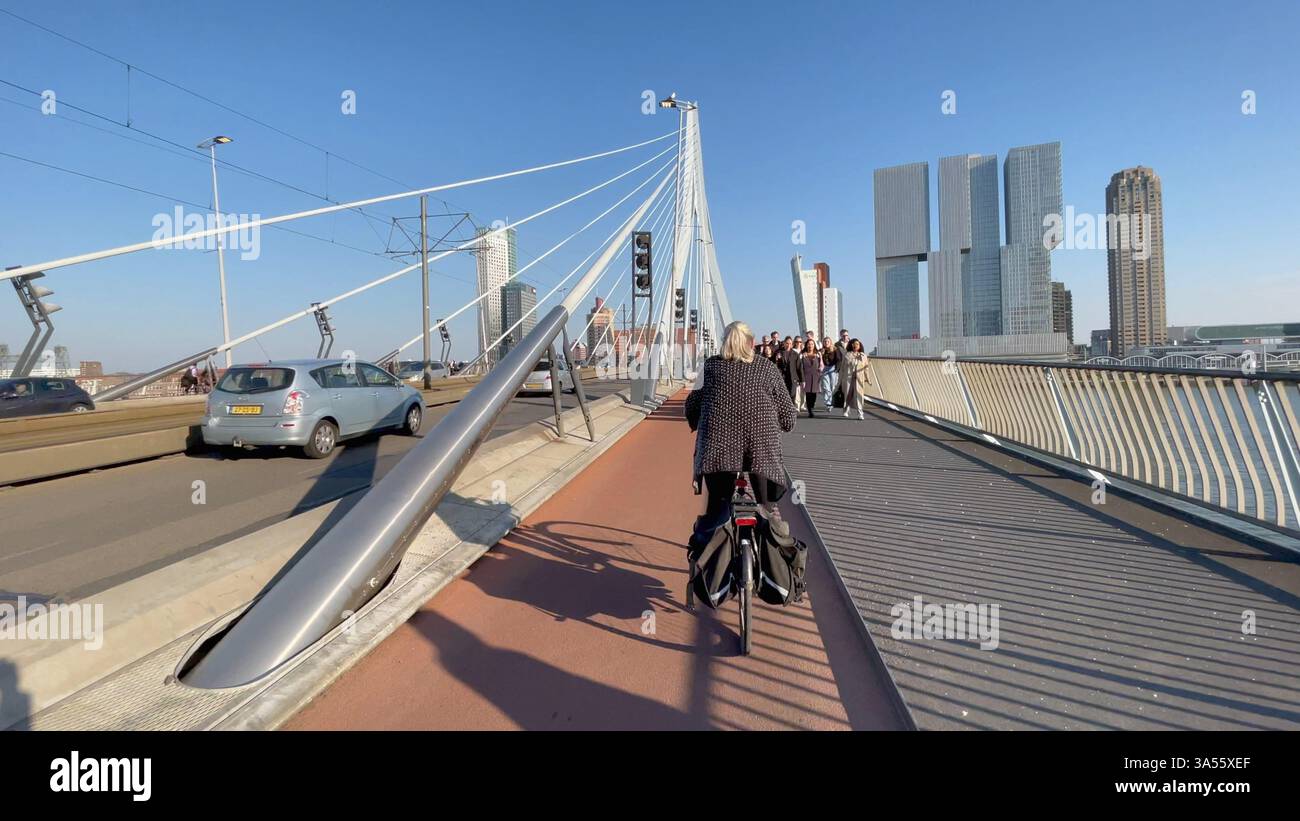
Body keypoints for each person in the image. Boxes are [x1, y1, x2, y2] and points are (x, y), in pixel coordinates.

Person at [685, 321, 796, 548]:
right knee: (768, 510)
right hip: (761, 450)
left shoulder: (710, 367)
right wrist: (784, 424)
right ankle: (780, 558)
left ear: (725, 342)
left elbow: (692, 407)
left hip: (718, 451)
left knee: (717, 508)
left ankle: (705, 562)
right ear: (751, 343)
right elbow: (787, 416)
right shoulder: (767, 368)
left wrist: (695, 420)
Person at [838, 338, 872, 419]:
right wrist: (839, 380)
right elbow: (842, 368)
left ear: (860, 346)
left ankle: (860, 413)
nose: (855, 345)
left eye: (857, 344)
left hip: (859, 378)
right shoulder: (847, 355)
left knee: (859, 396)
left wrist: (868, 379)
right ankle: (846, 410)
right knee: (848, 394)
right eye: (853, 344)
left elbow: (866, 368)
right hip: (848, 378)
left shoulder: (863, 356)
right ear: (851, 345)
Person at [798, 338, 822, 418]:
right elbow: (800, 366)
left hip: (815, 376)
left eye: (812, 344)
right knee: (808, 394)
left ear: (814, 345)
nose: (810, 345)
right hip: (806, 375)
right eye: (809, 344)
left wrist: (820, 367)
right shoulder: (802, 354)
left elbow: (821, 365)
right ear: (806, 345)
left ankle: (811, 406)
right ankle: (810, 410)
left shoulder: (818, 354)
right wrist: (801, 378)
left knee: (814, 394)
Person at [819, 336, 841, 411]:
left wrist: (837, 369)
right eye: (825, 341)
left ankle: (832, 402)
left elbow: (839, 360)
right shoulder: (821, 350)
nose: (826, 343)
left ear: (830, 342)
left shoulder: (835, 350)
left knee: (832, 386)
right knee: (826, 386)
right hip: (825, 369)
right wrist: (821, 354)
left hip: (833, 369)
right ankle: (828, 404)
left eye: (828, 341)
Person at [776, 336, 800, 406]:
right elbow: (778, 365)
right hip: (783, 377)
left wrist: (802, 380)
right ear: (784, 343)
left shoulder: (795, 354)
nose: (788, 345)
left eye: (790, 343)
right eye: (787, 343)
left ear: (792, 344)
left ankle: (791, 407)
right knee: (784, 393)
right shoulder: (780, 352)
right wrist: (778, 359)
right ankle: (786, 407)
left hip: (793, 377)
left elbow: (799, 367)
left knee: (792, 394)